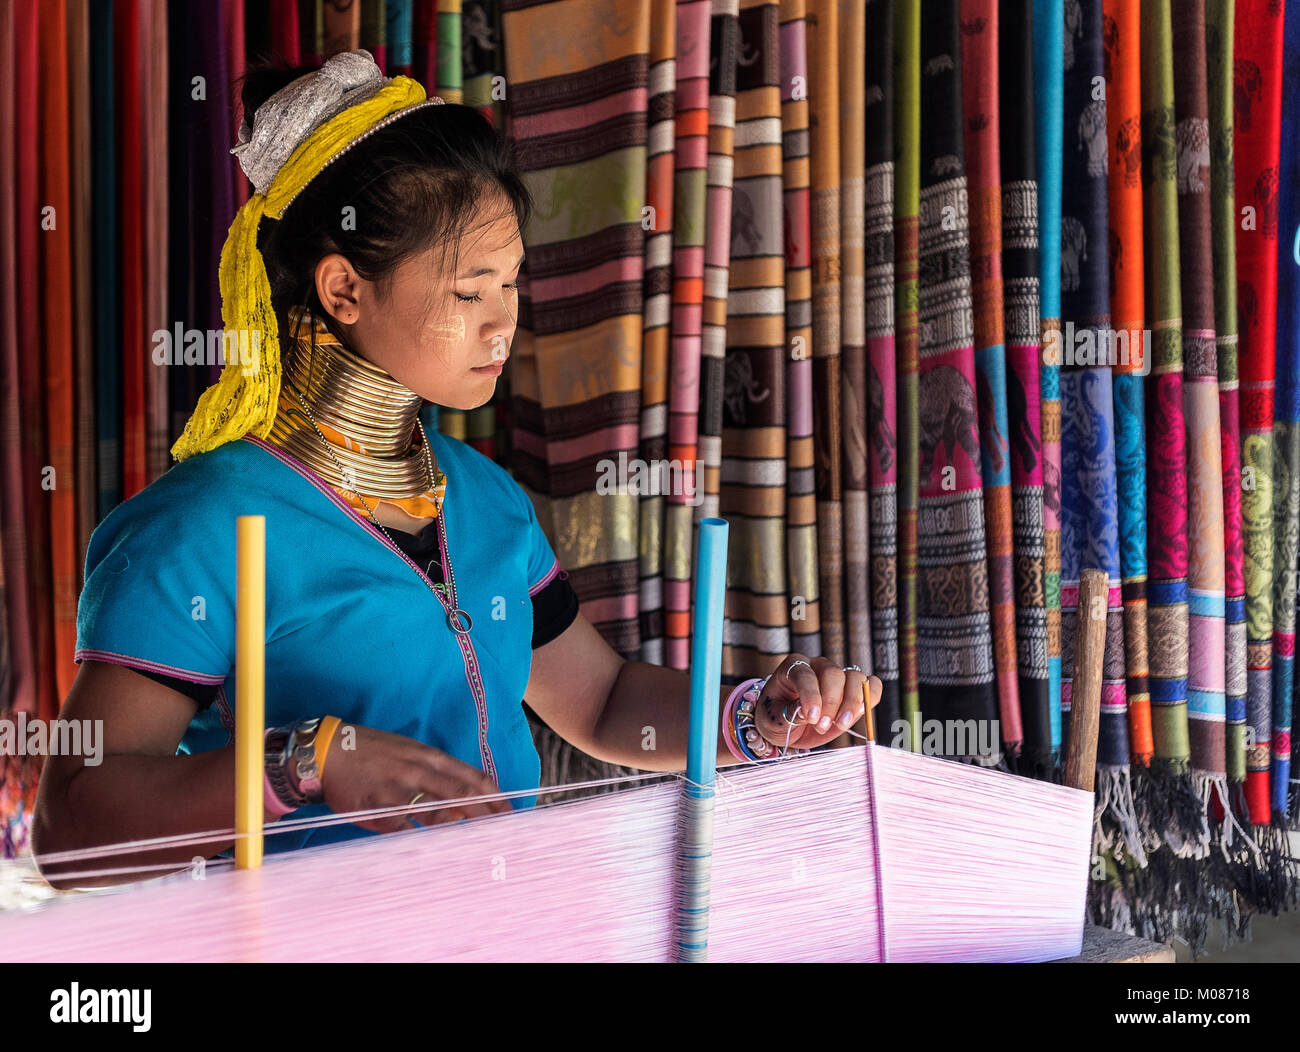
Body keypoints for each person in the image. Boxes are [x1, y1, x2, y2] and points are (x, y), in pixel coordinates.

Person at [32, 51, 880, 889]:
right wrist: (305, 763)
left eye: (512, 284)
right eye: (470, 292)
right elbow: (71, 831)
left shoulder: (482, 498)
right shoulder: (201, 529)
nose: (504, 323)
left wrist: (755, 719)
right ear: (343, 290)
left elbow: (603, 702)